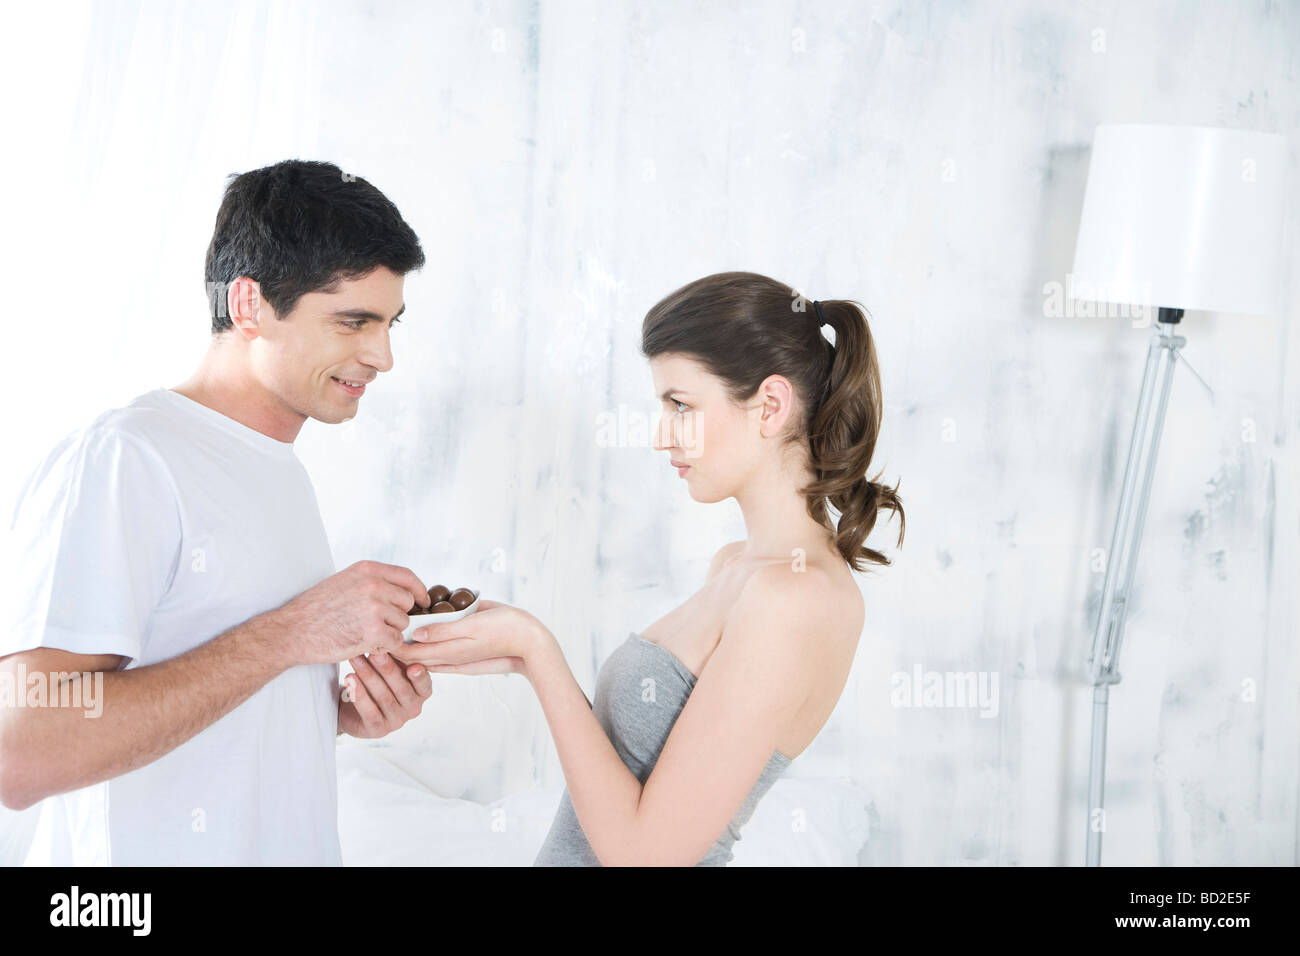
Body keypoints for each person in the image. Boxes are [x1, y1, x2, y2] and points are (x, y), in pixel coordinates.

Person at [0, 159, 436, 865]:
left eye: (390, 324)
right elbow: (24, 747)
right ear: (249, 305)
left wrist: (337, 712)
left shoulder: (279, 471)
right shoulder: (126, 458)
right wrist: (293, 635)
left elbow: (211, 701)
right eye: (353, 322)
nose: (382, 356)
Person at [395, 271, 905, 865]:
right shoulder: (734, 566)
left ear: (770, 405)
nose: (663, 438)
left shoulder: (795, 596)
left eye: (680, 405)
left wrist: (538, 654)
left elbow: (644, 857)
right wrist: (509, 652)